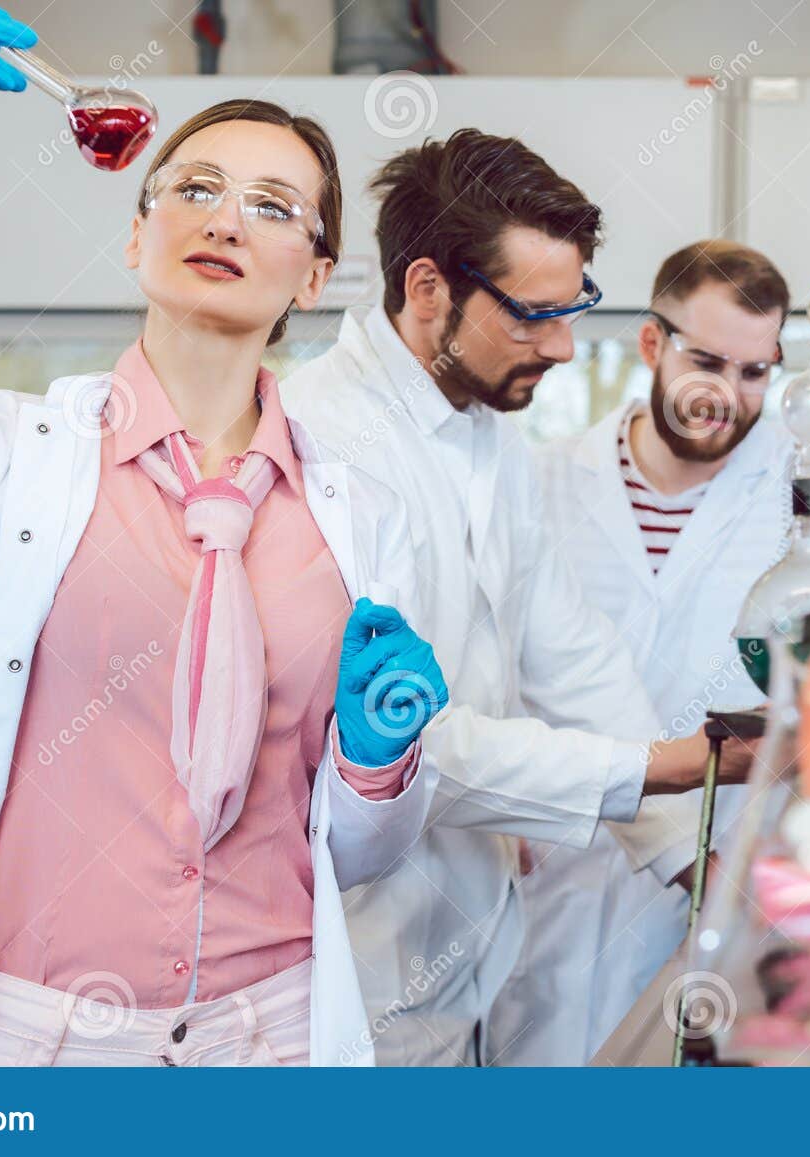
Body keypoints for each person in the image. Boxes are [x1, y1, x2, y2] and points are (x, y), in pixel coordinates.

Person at [0, 1, 448, 1067]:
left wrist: (376, 767)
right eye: (195, 189)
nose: (225, 221)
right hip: (33, 1043)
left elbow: (352, 853)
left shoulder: (363, 518)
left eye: (272, 206)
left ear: (315, 277)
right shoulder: (2, 463)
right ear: (135, 235)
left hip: (273, 1039)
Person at [278, 132, 756, 1065]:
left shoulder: (488, 431)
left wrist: (693, 859)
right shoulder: (320, 443)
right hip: (355, 980)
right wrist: (666, 767)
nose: (564, 346)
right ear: (428, 290)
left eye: (574, 308)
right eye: (535, 315)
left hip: (468, 952)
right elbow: (405, 743)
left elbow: (570, 653)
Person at [490, 240, 807, 1065]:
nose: (727, 394)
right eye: (707, 361)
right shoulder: (541, 483)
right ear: (652, 343)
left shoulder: (806, 506)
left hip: (734, 891)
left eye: (755, 371)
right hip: (560, 882)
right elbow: (490, 672)